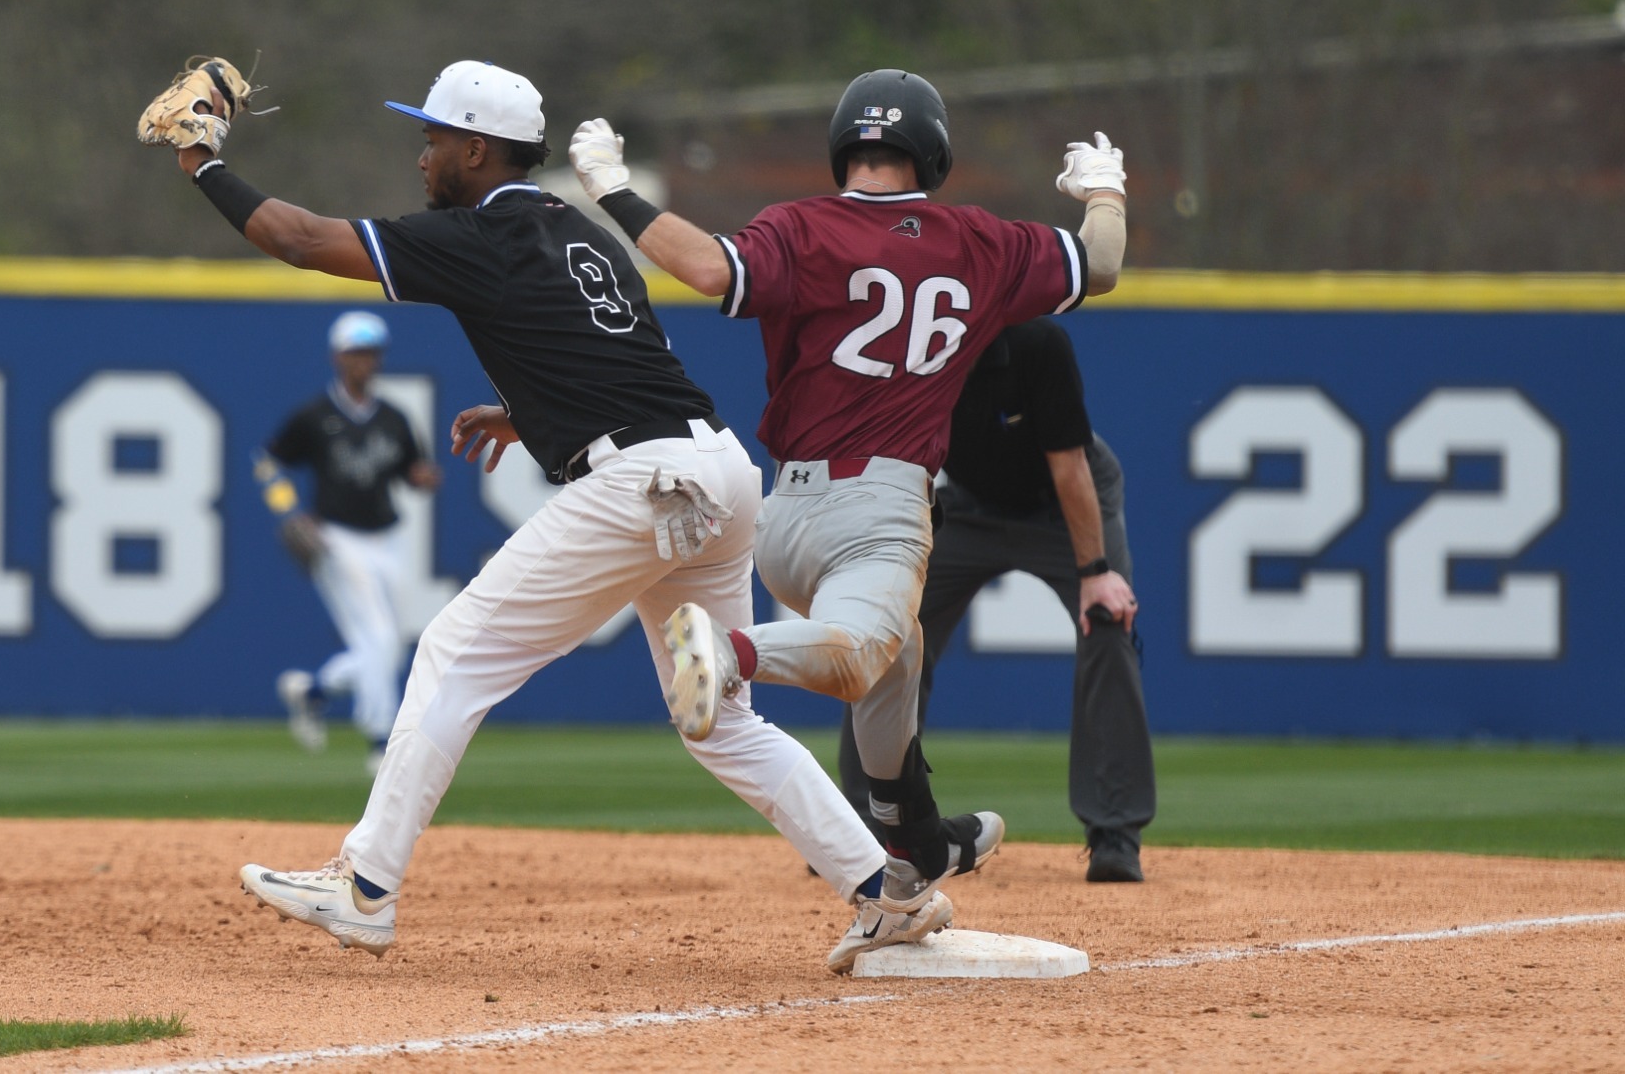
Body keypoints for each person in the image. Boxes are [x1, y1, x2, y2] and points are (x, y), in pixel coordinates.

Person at [148, 58, 956, 971]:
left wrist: (202, 161)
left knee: (455, 651)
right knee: (722, 721)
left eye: (436, 136)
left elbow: (297, 238)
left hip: (643, 480)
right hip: (719, 470)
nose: (423, 153)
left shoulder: (474, 235)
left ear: (479, 148)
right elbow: (610, 355)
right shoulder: (579, 230)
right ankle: (883, 893)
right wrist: (528, 414)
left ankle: (364, 886)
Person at [569, 69, 1127, 913]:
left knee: (896, 667)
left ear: (843, 145)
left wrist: (613, 189)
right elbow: (1106, 262)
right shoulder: (977, 240)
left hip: (785, 519)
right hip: (883, 510)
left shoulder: (797, 225)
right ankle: (728, 656)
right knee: (867, 651)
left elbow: (706, 270)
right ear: (931, 152)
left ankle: (914, 846)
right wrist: (1104, 188)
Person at [832, 317, 1156, 882]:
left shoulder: (1036, 344)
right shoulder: (904, 347)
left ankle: (1115, 835)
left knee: (1106, 621)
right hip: (969, 509)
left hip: (1064, 504)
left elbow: (1070, 464)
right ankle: (863, 826)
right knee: (888, 631)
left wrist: (1095, 572)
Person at [256, 309, 440, 778]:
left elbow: (411, 470)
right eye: (356, 352)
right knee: (376, 639)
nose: (365, 361)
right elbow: (268, 462)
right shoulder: (315, 416)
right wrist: (287, 508)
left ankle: (313, 692)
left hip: (387, 537)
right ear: (338, 357)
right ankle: (382, 743)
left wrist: (420, 478)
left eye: (372, 352)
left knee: (390, 647)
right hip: (337, 538)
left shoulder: (394, 418)